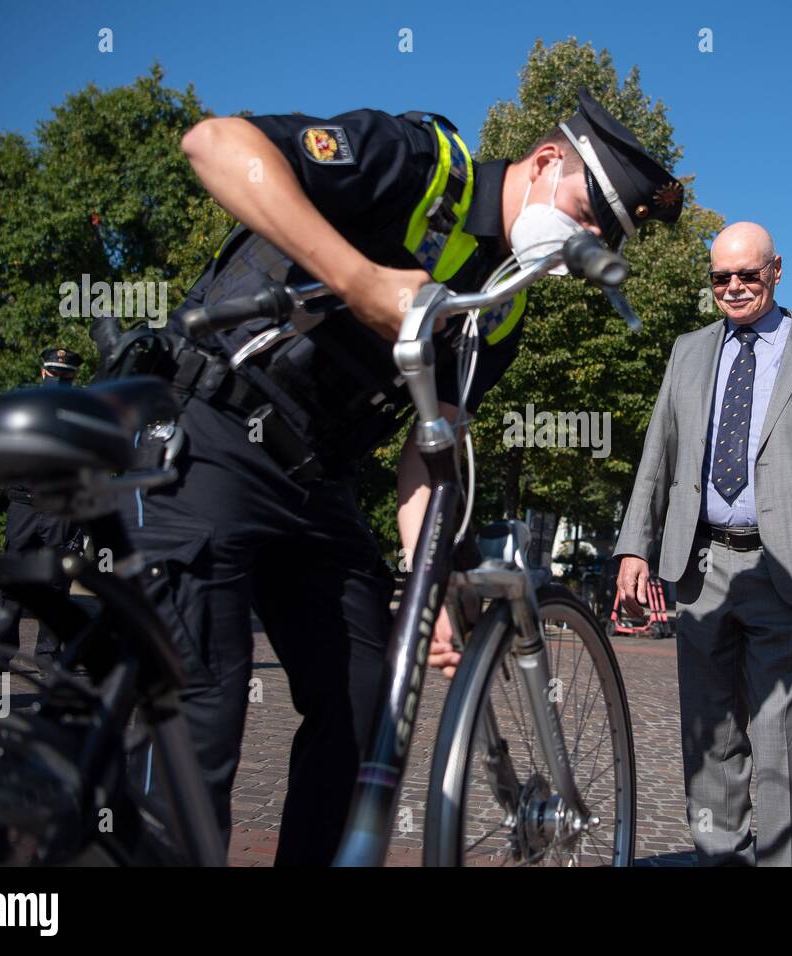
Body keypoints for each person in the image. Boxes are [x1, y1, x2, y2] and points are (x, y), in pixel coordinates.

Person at [104, 88, 683, 866]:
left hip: (315, 483)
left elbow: (428, 446)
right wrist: (358, 278)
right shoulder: (420, 166)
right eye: (586, 213)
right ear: (546, 161)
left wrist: (430, 573)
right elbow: (213, 144)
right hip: (207, 431)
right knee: (198, 705)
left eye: (601, 236)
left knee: (368, 691)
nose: (584, 238)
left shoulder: (498, 309)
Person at [613, 221, 792, 866]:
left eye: (746, 275)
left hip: (790, 569)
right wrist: (635, 549)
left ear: (776, 271)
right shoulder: (688, 351)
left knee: (785, 744)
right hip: (701, 569)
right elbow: (658, 454)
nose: (732, 287)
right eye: (719, 277)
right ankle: (720, 857)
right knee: (711, 739)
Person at [0, 348, 84, 675]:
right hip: (23, 506)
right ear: (43, 373)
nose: (60, 380)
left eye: (66, 376)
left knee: (55, 585)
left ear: (73, 378)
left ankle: (48, 658)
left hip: (60, 508)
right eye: (56, 374)